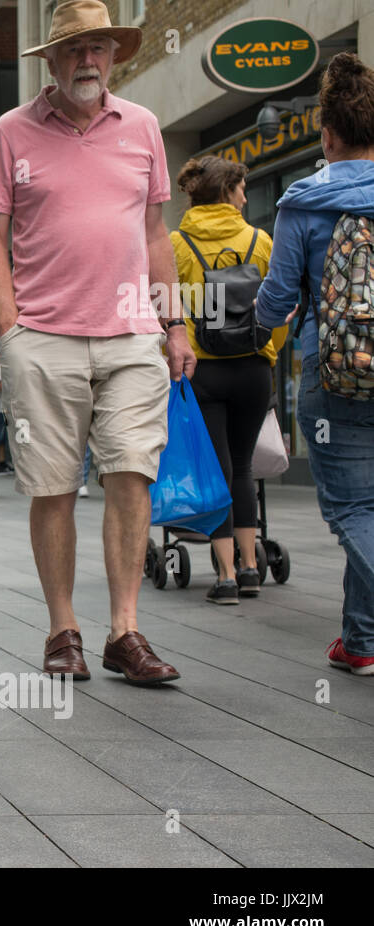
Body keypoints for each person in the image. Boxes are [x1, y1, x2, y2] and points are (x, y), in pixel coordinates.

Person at [0, 0, 194, 684]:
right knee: (52, 486)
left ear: (115, 55)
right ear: (54, 61)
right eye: (75, 50)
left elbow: (155, 233)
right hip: (44, 338)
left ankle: (124, 630)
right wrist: (10, 329)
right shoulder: (13, 131)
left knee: (132, 473)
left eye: (99, 47)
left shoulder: (145, 128)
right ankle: (62, 627)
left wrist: (175, 321)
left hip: (131, 334)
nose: (89, 61)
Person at [256, 52, 374, 676]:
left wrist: (255, 326)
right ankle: (361, 641)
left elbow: (276, 302)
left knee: (355, 509)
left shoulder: (303, 201)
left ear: (325, 136)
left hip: (334, 376)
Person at [171, 155, 286, 605]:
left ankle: (222, 577)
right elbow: (277, 305)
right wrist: (268, 348)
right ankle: (251, 567)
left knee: (216, 468)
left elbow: (166, 308)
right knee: (242, 467)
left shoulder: (177, 244)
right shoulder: (259, 240)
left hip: (204, 370)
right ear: (227, 191)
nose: (244, 197)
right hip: (253, 368)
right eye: (241, 189)